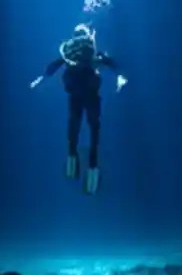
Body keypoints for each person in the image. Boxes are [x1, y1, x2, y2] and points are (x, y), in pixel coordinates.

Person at [29, 24, 128, 194]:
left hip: (77, 95)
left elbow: (55, 65)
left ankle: (74, 156)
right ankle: (91, 164)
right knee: (93, 130)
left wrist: (41, 79)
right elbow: (111, 64)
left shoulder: (72, 54)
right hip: (90, 95)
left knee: (75, 128)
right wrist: (120, 77)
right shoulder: (92, 54)